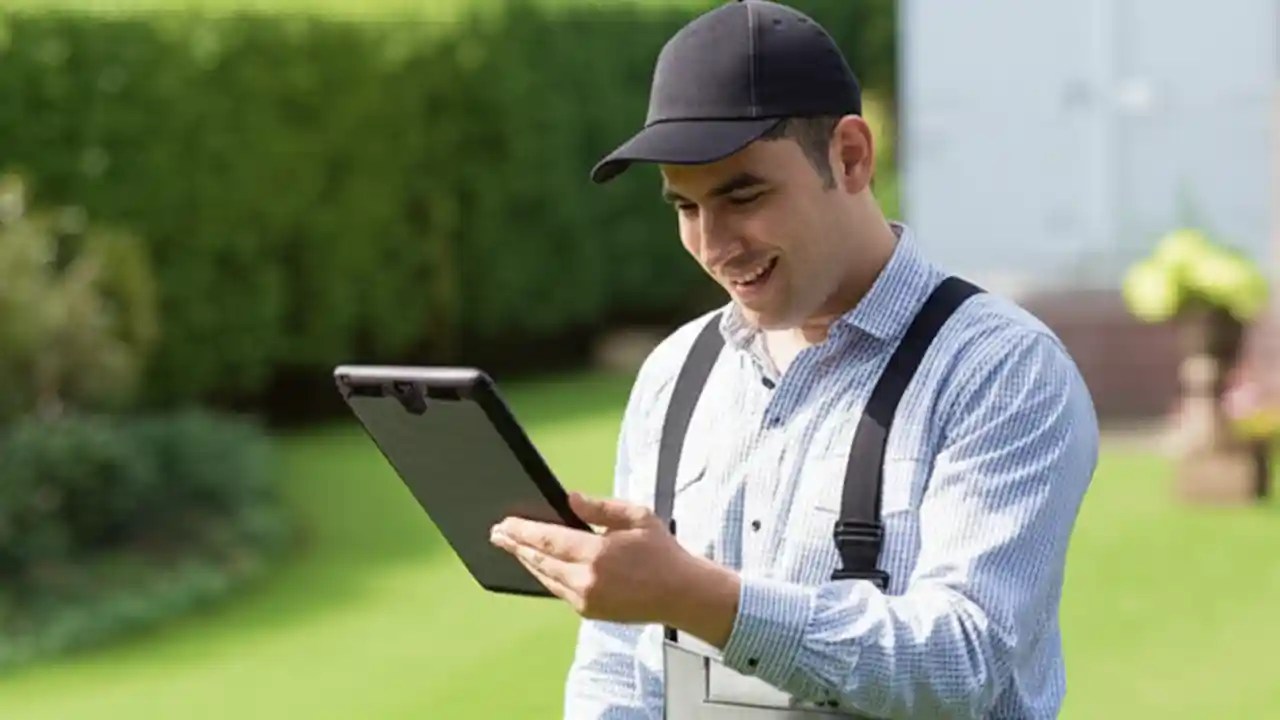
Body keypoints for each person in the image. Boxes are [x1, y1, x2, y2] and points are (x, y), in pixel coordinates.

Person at [488, 1, 1100, 717]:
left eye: (742, 194)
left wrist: (696, 595)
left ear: (850, 156)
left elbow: (962, 661)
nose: (713, 245)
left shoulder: (1000, 370)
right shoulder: (675, 373)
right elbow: (621, 668)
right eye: (685, 208)